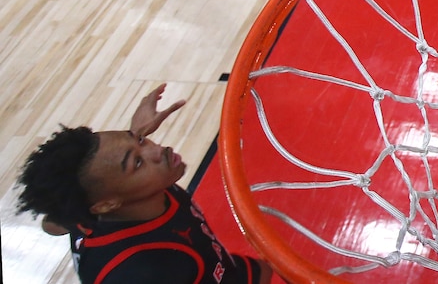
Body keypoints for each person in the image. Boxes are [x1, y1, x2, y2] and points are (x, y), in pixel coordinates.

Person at [17, 84, 274, 283]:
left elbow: (51, 224)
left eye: (139, 141)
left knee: (264, 269)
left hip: (222, 268)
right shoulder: (143, 272)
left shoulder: (87, 203)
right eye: (137, 163)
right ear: (107, 204)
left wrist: (133, 137)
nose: (158, 150)